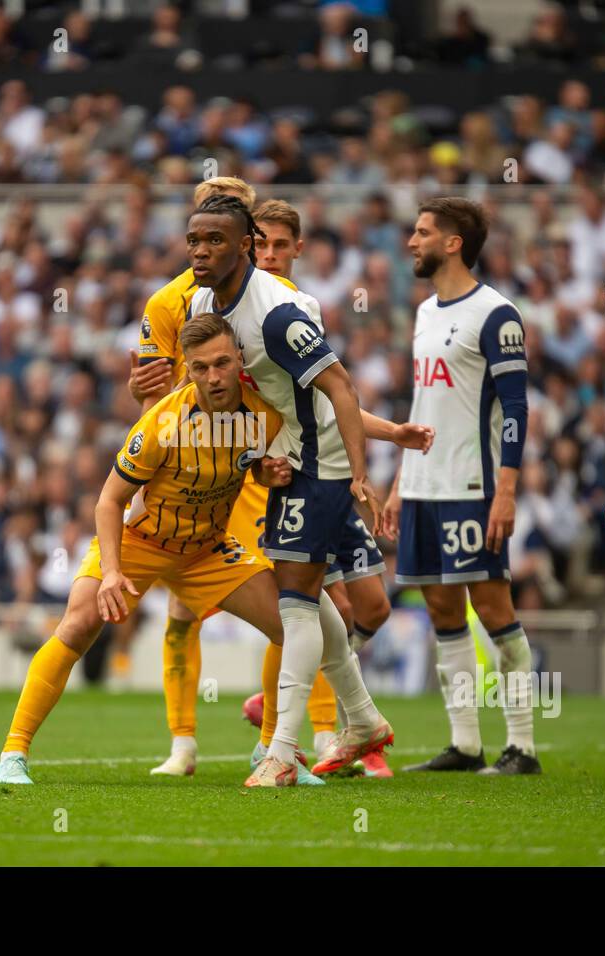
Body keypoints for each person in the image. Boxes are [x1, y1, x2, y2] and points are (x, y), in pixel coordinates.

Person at [0, 313, 344, 787]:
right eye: (200, 368)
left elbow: (253, 463)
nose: (214, 376)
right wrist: (113, 572)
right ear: (188, 368)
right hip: (141, 543)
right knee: (77, 626)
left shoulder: (264, 415)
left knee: (292, 626)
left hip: (207, 549)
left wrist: (266, 473)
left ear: (239, 357)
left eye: (222, 363)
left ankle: (271, 751)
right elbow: (108, 501)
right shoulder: (162, 424)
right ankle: (13, 753)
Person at [187, 195, 397, 784]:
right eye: (194, 240)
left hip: (321, 458)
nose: (202, 251)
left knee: (296, 602)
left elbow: (341, 386)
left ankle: (281, 752)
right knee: (309, 598)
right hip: (284, 455)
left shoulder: (278, 314)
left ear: (245, 245)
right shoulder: (204, 305)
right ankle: (363, 720)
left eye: (217, 240)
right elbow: (230, 398)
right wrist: (256, 459)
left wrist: (358, 475)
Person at [387, 197, 541, 776]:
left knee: (493, 605)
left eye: (422, 232)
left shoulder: (496, 314)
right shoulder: (425, 313)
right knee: (440, 606)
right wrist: (402, 483)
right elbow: (423, 406)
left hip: (472, 483)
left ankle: (523, 746)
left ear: (454, 243)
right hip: (424, 483)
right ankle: (466, 744)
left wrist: (506, 489)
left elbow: (516, 407)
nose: (412, 241)